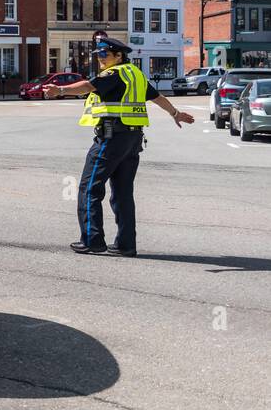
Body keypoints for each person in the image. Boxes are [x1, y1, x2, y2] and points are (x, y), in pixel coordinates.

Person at [45, 33, 194, 257]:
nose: (100, 58)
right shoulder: (136, 74)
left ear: (118, 55)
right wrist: (175, 113)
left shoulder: (113, 74)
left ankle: (92, 240)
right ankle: (126, 245)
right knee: (123, 193)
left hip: (111, 138)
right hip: (132, 140)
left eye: (104, 54)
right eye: (98, 55)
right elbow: (156, 97)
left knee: (89, 188)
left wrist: (61, 90)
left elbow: (87, 86)